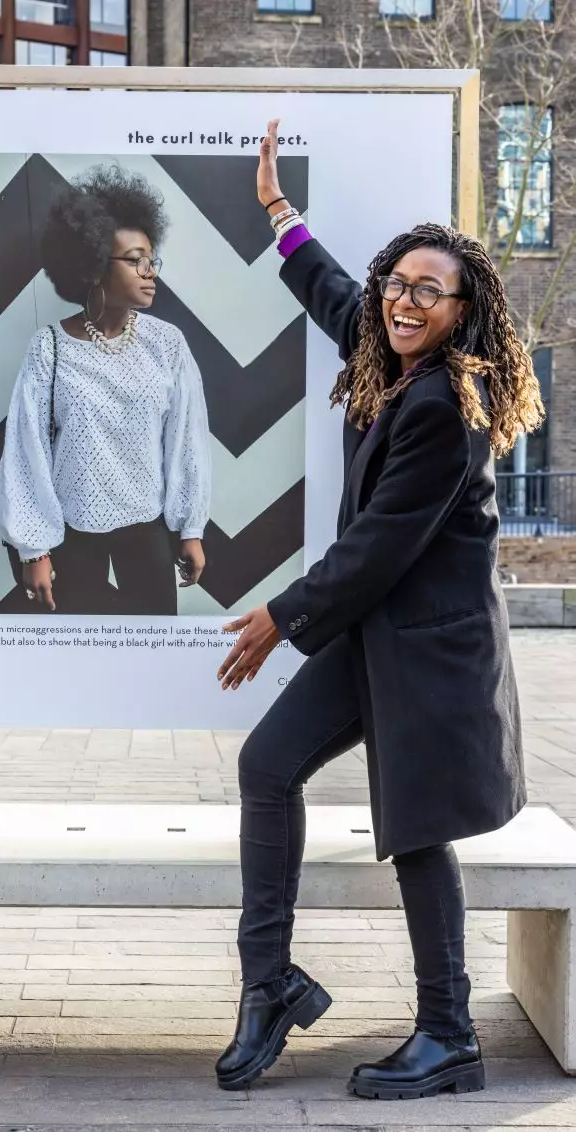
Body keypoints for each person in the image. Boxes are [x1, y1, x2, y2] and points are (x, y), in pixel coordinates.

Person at [214, 120, 544, 1099]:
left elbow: (379, 549)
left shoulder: (447, 404)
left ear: (461, 309)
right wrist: (279, 212)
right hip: (377, 635)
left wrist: (280, 615)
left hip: (431, 649)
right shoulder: (391, 356)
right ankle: (268, 983)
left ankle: (449, 1035)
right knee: (267, 765)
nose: (402, 301)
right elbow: (331, 294)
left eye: (425, 290)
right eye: (396, 283)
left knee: (417, 827)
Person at [0, 165, 211, 615]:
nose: (150, 272)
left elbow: (186, 441)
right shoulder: (49, 348)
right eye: (135, 260)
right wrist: (34, 549)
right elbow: (24, 451)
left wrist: (190, 529)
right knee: (77, 660)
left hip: (147, 535)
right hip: (73, 539)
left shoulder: (166, 344)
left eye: (152, 259)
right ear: (93, 265)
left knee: (151, 658)